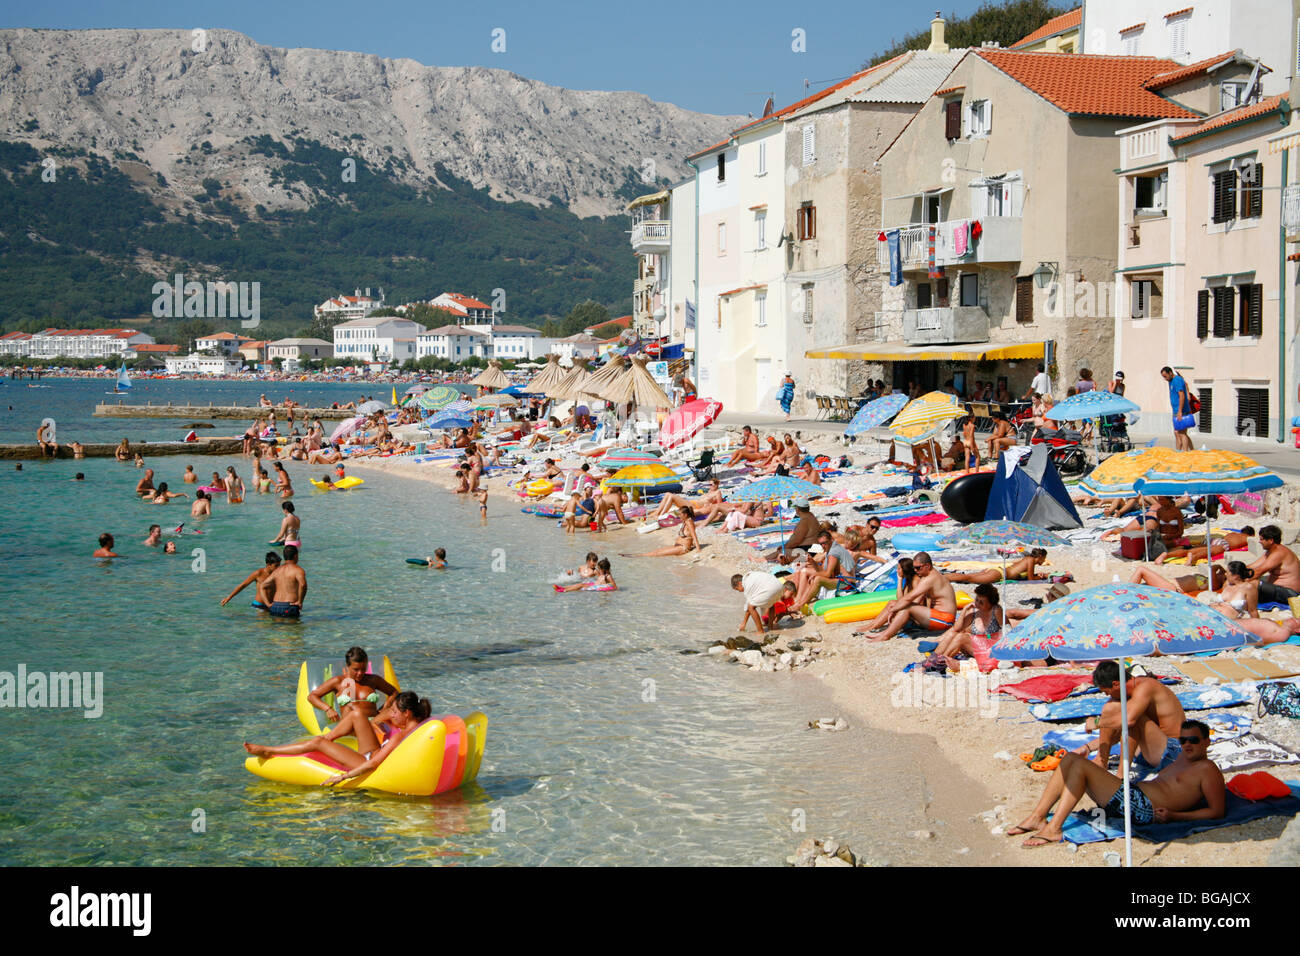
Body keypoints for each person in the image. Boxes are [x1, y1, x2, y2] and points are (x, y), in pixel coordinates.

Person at [1008, 719, 1225, 848]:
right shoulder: (1181, 759)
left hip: (1143, 810)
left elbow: (1217, 811)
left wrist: (1175, 816)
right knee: (1071, 759)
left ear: (1207, 741)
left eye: (1194, 740)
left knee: (1080, 766)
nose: (1187, 745)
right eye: (1183, 740)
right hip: (1134, 797)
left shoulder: (1208, 770)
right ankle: (1038, 817)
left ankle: (1053, 828)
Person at [244, 689, 431, 787]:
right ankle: (329, 738)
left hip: (365, 762)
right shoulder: (418, 726)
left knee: (318, 743)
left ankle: (270, 750)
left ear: (407, 713)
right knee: (357, 714)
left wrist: (343, 777)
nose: (392, 714)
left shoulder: (401, 737)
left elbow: (373, 765)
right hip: (373, 751)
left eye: (395, 711)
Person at [1078, 661, 1186, 777]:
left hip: (1173, 752)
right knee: (1111, 707)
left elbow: (1130, 721)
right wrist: (1087, 748)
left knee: (1131, 718)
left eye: (1106, 692)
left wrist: (1097, 722)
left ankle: (1121, 776)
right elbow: (1116, 732)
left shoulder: (1146, 687)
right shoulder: (1132, 691)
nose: (1107, 695)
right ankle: (1101, 760)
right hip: (1150, 751)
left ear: (1116, 684)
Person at [859, 552, 957, 641]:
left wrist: (894, 610)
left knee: (906, 607)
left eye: (918, 568)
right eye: (914, 568)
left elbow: (909, 598)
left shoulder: (930, 578)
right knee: (894, 603)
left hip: (945, 620)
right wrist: (896, 606)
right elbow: (905, 599)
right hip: (935, 616)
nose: (915, 570)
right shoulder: (926, 577)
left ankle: (886, 635)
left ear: (927, 566)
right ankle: (873, 626)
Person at [932, 583, 1007, 670]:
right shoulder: (974, 612)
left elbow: (1008, 630)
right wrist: (964, 611)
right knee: (954, 634)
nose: (977, 603)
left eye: (981, 602)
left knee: (961, 637)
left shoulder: (996, 611)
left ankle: (940, 662)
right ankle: (935, 658)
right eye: (977, 600)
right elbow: (957, 628)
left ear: (990, 603)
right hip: (977, 647)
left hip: (991, 649)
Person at [788, 529, 857, 611]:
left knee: (818, 579)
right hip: (841, 579)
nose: (823, 545)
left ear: (831, 539)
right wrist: (812, 562)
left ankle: (801, 604)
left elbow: (827, 574)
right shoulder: (832, 548)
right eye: (821, 544)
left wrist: (815, 574)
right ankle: (798, 600)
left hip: (847, 584)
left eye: (825, 543)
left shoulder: (834, 552)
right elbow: (823, 570)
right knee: (805, 571)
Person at [1248, 525, 1300, 604]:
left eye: (1262, 539)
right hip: (1277, 588)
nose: (1259, 542)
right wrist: (1236, 571)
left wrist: (1239, 580)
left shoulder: (1279, 553)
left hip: (1289, 593)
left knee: (1253, 583)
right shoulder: (1270, 552)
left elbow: (1258, 572)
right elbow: (1253, 566)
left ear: (1270, 540)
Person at [1155, 526, 1255, 566]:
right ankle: (1193, 558)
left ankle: (1165, 555)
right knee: (1208, 551)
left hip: (1215, 540)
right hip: (1223, 544)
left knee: (1191, 548)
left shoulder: (1232, 534)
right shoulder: (1247, 538)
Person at [944, 549, 1049, 584]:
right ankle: (943, 578)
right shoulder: (1030, 560)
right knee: (969, 578)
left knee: (969, 576)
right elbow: (1031, 579)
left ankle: (943, 577)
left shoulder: (1027, 559)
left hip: (998, 571)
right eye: (1044, 558)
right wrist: (1040, 577)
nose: (1044, 561)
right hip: (999, 574)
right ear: (1040, 556)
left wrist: (1037, 576)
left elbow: (1025, 575)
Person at [767, 499, 821, 564]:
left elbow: (796, 541)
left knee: (781, 552)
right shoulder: (811, 516)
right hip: (813, 549)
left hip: (808, 552)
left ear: (797, 509)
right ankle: (764, 560)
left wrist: (784, 547)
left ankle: (760, 560)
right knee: (782, 553)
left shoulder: (804, 521)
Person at [732, 569, 786, 634]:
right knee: (771, 604)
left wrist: (744, 623)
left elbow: (748, 606)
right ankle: (770, 626)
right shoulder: (751, 575)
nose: (739, 591)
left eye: (737, 589)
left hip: (771, 589)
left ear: (740, 583)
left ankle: (760, 631)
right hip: (781, 587)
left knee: (751, 607)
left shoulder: (746, 584)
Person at [264, 544, 306, 618]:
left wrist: (267, 603)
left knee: (278, 628)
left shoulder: (277, 570)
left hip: (275, 606)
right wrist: (300, 601)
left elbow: (263, 586)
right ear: (296, 556)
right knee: (294, 629)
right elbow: (303, 585)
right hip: (289, 606)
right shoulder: (298, 570)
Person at [1128, 564, 1227, 595]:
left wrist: (1218, 566)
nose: (1220, 572)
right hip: (1169, 585)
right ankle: (1124, 590)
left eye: (1222, 573)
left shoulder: (1215, 584)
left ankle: (1124, 591)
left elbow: (1212, 569)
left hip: (1173, 588)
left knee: (1141, 570)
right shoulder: (1210, 579)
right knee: (1139, 587)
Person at [1161, 365, 1194, 452]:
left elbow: (1182, 395)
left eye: (1165, 376)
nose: (1165, 378)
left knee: (1182, 433)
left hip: (1181, 411)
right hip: (1176, 410)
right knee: (1178, 433)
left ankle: (1185, 452)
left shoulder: (1177, 380)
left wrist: (1180, 411)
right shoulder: (1171, 381)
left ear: (1170, 373)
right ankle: (1181, 451)